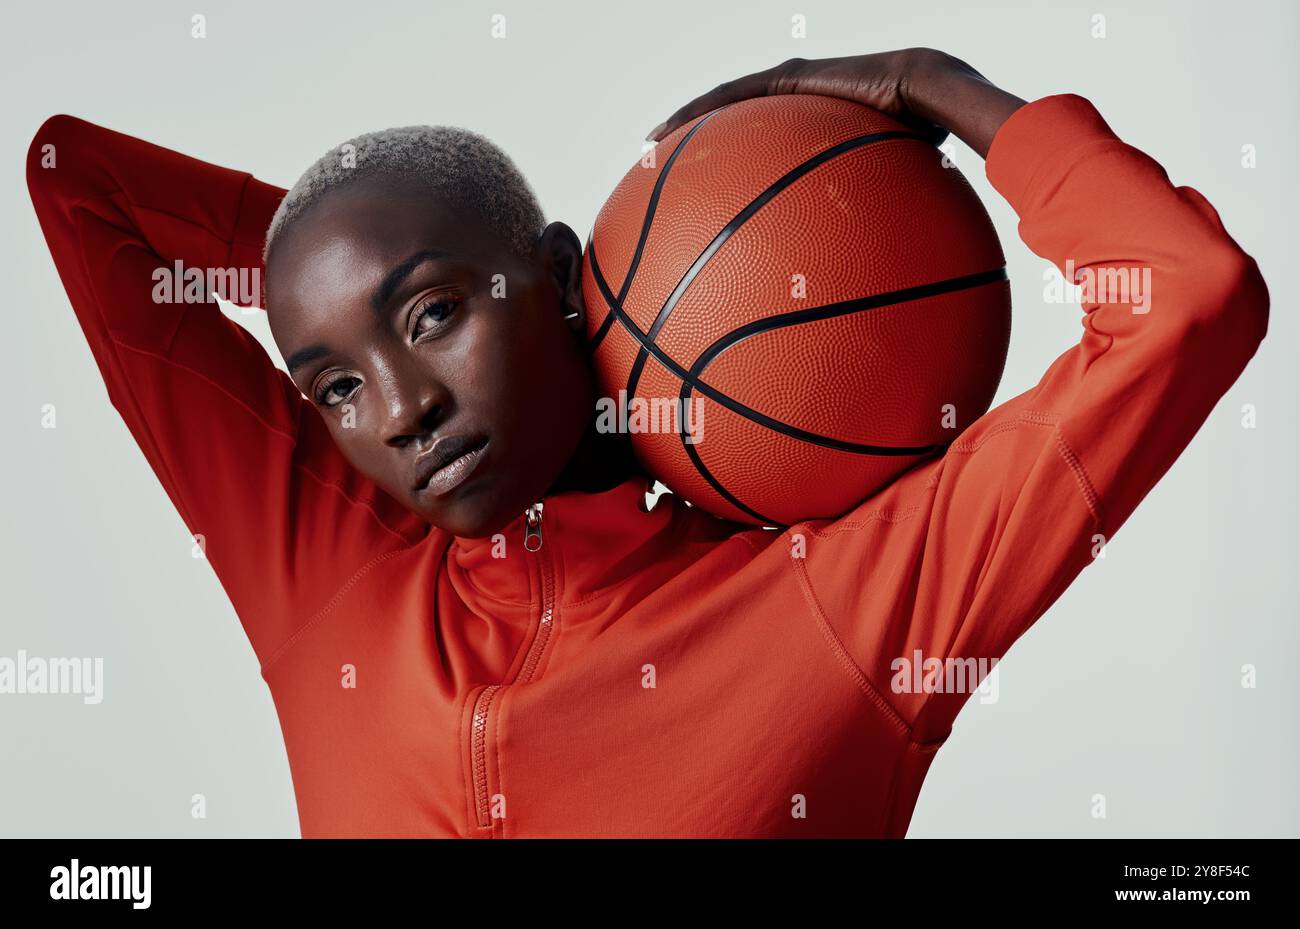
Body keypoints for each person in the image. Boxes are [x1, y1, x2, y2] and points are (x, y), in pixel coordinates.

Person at [25, 48, 1269, 837]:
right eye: (334, 381)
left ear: (560, 274)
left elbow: (1189, 293)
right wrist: (320, 255)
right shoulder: (323, 568)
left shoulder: (846, 604)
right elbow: (69, 174)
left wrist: (937, 86)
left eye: (435, 314)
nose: (401, 409)